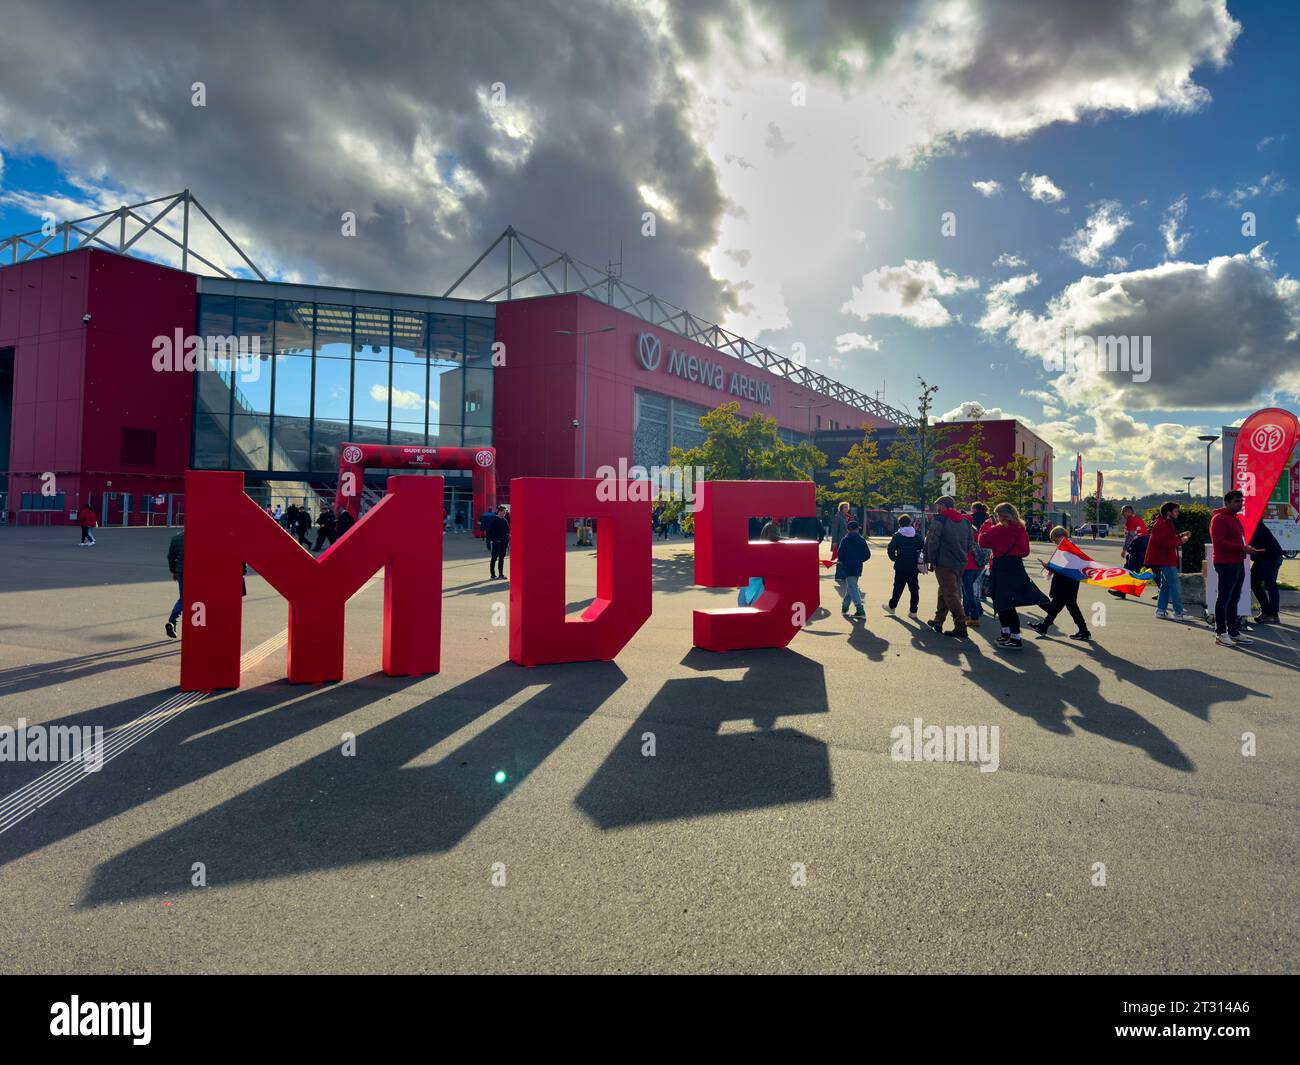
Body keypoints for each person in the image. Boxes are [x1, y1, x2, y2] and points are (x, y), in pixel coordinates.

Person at [978, 502, 1052, 651]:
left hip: (1001, 566)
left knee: (1003, 602)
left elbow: (982, 542)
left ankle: (1014, 637)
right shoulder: (1021, 530)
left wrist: (986, 527)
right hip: (1016, 566)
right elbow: (1025, 552)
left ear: (1002, 515)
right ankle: (1007, 634)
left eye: (998, 514)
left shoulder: (998, 529)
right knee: (1009, 601)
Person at [1209, 489, 1261, 647]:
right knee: (1224, 598)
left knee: (1234, 598)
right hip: (1225, 563)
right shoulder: (1219, 518)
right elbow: (1219, 543)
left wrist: (1244, 548)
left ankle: (1233, 632)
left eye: (1241, 501)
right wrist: (1242, 548)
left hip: (1237, 561)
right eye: (1237, 501)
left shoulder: (1235, 519)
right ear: (1227, 502)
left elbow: (1236, 542)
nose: (1240, 504)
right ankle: (1220, 633)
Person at [924, 496, 974, 640]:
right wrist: (963, 555)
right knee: (945, 590)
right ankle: (938, 621)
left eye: (938, 506)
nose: (937, 509)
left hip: (944, 562)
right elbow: (970, 542)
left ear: (943, 506)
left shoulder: (940, 520)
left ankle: (960, 626)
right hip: (960, 562)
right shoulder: (965, 521)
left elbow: (932, 541)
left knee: (951, 594)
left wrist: (931, 559)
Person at [1030, 526, 1092, 640]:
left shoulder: (1067, 549)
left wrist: (1049, 567)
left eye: (1054, 539)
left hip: (1065, 583)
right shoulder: (1068, 547)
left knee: (1062, 607)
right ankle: (1044, 627)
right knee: (1062, 607)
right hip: (1069, 582)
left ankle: (1083, 631)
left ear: (1061, 536)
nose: (1054, 542)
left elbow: (1064, 568)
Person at [1144, 501, 1191, 620]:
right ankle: (1179, 613)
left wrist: (1180, 535)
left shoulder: (1165, 523)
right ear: (1168, 512)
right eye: (1175, 511)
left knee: (1165, 586)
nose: (1178, 513)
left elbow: (1167, 539)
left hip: (1165, 559)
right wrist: (1181, 541)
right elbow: (1162, 543)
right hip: (1165, 559)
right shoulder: (1161, 524)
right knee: (1175, 586)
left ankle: (1161, 611)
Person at [885, 514, 923, 618]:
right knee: (914, 589)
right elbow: (922, 550)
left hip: (901, 565)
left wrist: (895, 558)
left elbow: (890, 549)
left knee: (898, 587)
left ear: (900, 524)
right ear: (910, 523)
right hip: (914, 566)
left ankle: (892, 607)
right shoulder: (917, 536)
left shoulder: (897, 535)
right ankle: (913, 611)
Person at [1249, 519, 1284, 625]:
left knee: (1270, 584)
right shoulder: (1252, 524)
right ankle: (1267, 611)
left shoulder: (1254, 524)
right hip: (1264, 557)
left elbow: (1253, 546)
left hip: (1271, 557)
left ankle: (1273, 615)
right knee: (1254, 583)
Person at [836, 520, 871, 619]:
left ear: (848, 529)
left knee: (852, 587)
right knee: (851, 587)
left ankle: (860, 609)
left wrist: (842, 560)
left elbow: (840, 554)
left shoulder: (845, 540)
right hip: (858, 566)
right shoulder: (862, 540)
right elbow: (867, 555)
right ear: (858, 529)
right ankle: (845, 607)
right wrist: (860, 559)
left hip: (848, 565)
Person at [165, 529, 184, 639]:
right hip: (198, 573)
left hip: (182, 572)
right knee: (199, 600)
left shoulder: (176, 538)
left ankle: (172, 621)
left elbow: (171, 557)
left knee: (183, 599)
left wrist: (174, 571)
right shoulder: (203, 536)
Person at [487, 504, 510, 579]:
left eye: (505, 512)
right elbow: (490, 532)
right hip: (496, 543)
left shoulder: (505, 521)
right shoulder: (493, 520)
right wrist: (494, 540)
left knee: (501, 558)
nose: (504, 513)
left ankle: (501, 574)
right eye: (503, 512)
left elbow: (507, 532)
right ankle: (493, 574)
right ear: (499, 512)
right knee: (494, 558)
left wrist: (507, 542)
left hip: (503, 544)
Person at [830, 501, 852, 581]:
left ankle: (844, 575)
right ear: (841, 508)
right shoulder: (838, 516)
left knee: (846, 559)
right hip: (840, 540)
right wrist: (834, 541)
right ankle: (838, 576)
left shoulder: (848, 516)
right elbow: (835, 530)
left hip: (848, 540)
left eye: (848, 507)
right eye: (845, 507)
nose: (847, 508)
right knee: (840, 559)